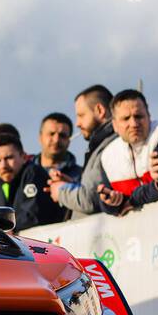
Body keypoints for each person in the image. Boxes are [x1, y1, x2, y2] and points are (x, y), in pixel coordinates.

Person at [71, 89, 158, 216]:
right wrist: (110, 202)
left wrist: (133, 200)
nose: (134, 124)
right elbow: (105, 201)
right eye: (126, 119)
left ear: (149, 116)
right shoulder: (108, 155)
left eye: (139, 116)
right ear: (115, 125)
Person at [0, 125, 64, 230]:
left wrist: (3, 229)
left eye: (9, 158)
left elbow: (33, 216)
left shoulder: (34, 174)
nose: (4, 165)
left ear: (23, 156)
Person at [48, 85, 114, 217]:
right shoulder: (101, 144)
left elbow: (92, 200)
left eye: (81, 115)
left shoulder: (110, 145)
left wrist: (61, 190)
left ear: (100, 110)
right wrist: (72, 185)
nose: (77, 123)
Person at [37, 112, 81, 182]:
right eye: (51, 134)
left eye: (62, 136)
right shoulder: (23, 172)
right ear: (40, 138)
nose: (56, 140)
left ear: (69, 141)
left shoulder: (83, 176)